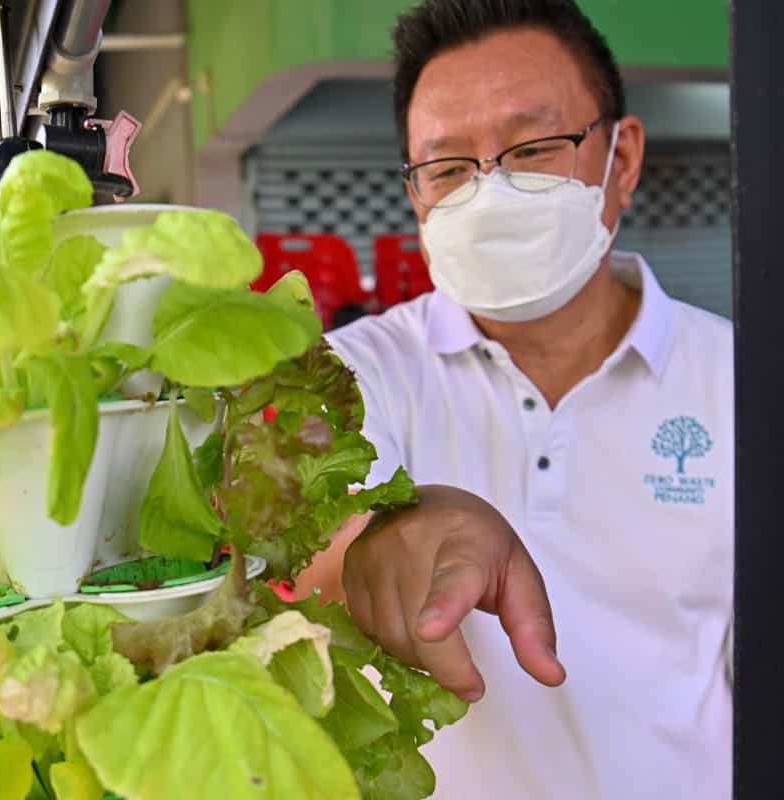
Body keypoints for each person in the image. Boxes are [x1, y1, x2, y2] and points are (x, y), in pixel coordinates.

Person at [294, 1, 733, 798]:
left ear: (621, 158)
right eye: (448, 167)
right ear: (413, 191)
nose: (489, 192)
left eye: (532, 150)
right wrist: (402, 531)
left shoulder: (738, 378)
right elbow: (303, 559)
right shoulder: (349, 373)